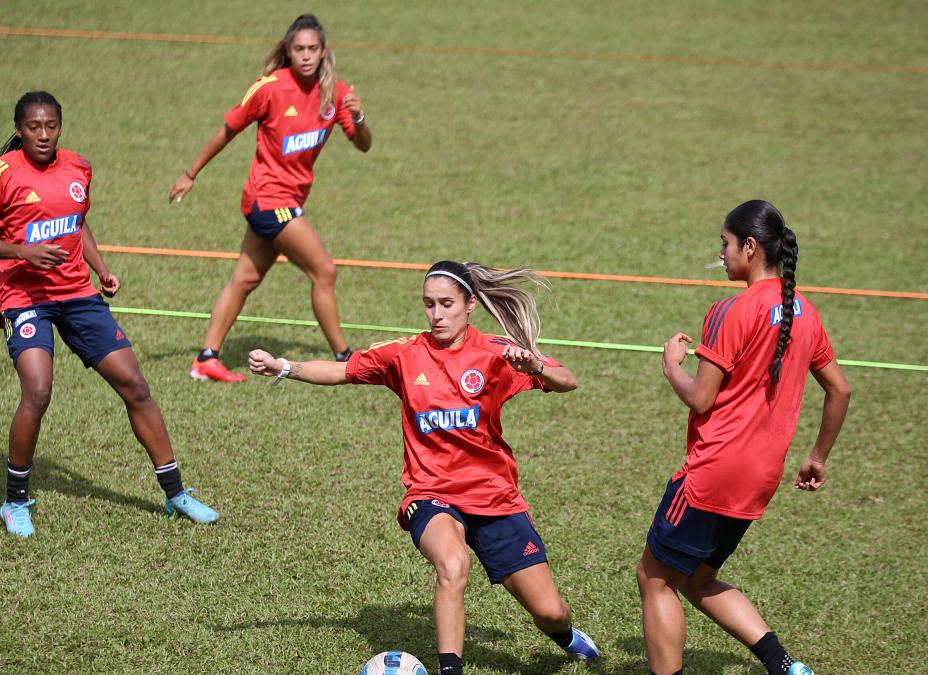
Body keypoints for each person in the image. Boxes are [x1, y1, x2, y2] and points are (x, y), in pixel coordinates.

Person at [248, 261, 600, 674]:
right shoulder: (405, 354)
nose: (436, 314)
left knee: (550, 611)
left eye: (446, 304)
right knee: (452, 565)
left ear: (470, 305)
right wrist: (284, 367)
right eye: (429, 304)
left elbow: (568, 380)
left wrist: (535, 366)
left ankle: (565, 634)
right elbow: (343, 370)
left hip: (494, 495)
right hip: (430, 494)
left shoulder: (496, 353)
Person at [0, 91, 219, 536]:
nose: (43, 135)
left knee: (135, 384)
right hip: (24, 298)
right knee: (38, 390)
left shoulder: (77, 167)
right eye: (33, 127)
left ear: (60, 127)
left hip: (77, 294)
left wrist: (101, 268)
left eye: (50, 126)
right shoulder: (1, 174)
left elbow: (76, 221)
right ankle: (14, 501)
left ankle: (176, 494)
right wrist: (22, 251)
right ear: (19, 129)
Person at [636, 200, 851, 675]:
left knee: (654, 577)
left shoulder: (730, 310)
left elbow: (701, 399)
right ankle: (785, 667)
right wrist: (817, 456)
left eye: (725, 244)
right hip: (760, 478)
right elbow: (840, 388)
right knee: (698, 578)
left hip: (713, 474)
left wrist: (671, 364)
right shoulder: (804, 311)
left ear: (750, 247)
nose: (722, 253)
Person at [170, 13, 373, 382]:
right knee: (324, 270)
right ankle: (345, 358)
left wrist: (359, 119)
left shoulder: (337, 93)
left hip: (289, 201)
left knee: (244, 280)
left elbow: (363, 146)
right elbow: (226, 132)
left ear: (324, 52)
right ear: (288, 51)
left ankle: (206, 360)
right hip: (267, 200)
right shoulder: (269, 88)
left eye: (313, 49)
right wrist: (190, 174)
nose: (306, 56)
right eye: (299, 49)